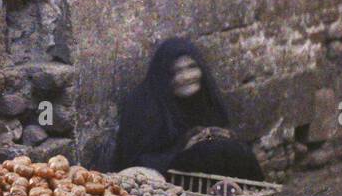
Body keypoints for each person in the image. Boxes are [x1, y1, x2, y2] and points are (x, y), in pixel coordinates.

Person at [93, 37, 264, 182]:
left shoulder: (204, 96)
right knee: (214, 152)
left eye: (191, 67)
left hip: (201, 174)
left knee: (237, 151)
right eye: (175, 72)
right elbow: (136, 163)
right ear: (163, 77)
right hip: (163, 180)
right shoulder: (146, 105)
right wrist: (185, 147)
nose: (186, 77)